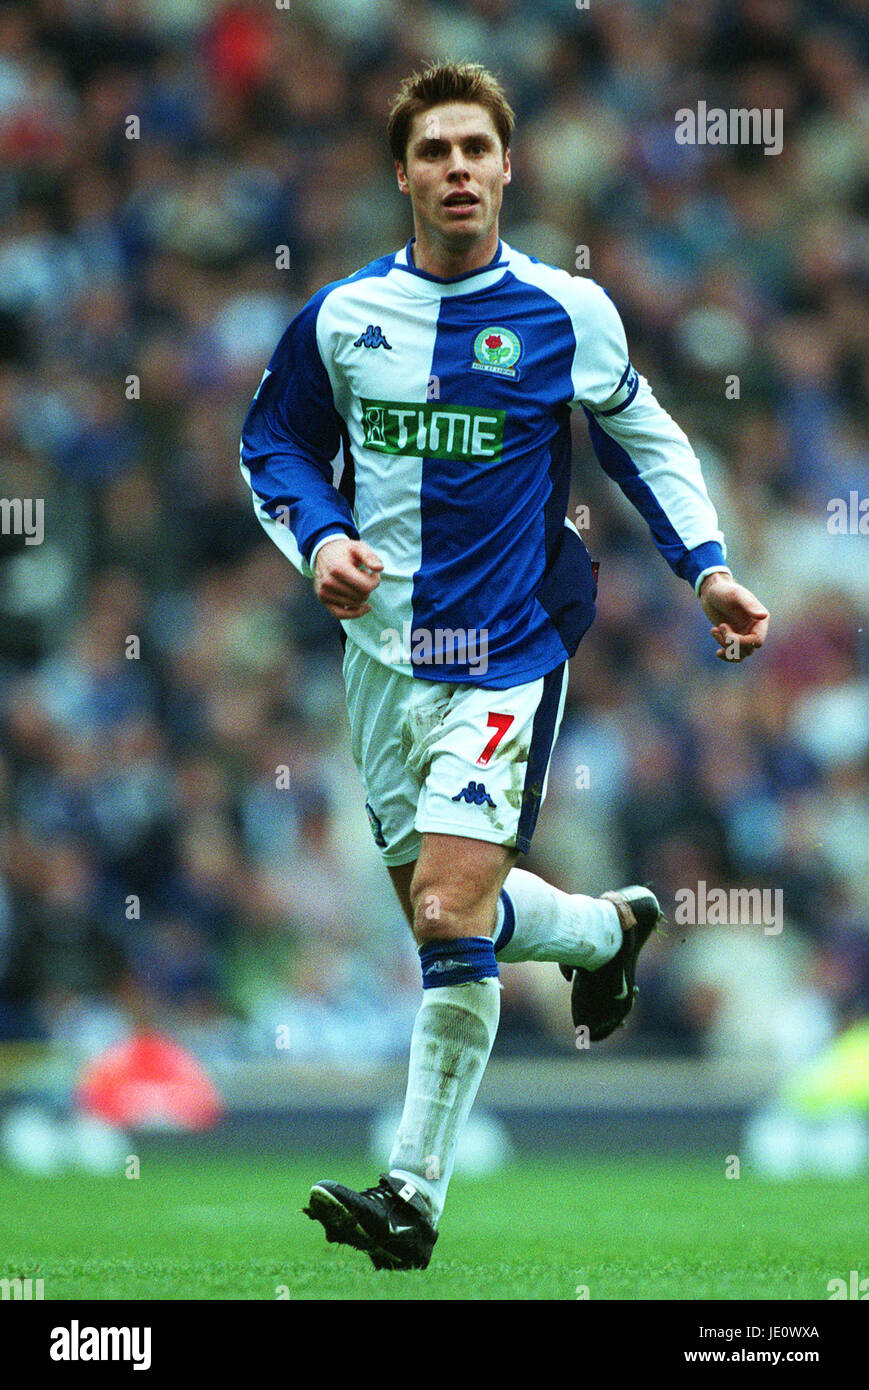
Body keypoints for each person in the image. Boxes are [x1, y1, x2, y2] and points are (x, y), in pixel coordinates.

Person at [239, 61, 769, 1271]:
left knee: (445, 906)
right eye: (434, 152)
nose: (458, 169)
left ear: (508, 166)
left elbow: (643, 432)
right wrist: (318, 538)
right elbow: (270, 442)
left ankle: (411, 1195)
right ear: (402, 175)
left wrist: (707, 567)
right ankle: (597, 930)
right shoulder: (340, 319)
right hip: (380, 663)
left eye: (476, 148)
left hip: (506, 652)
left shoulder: (563, 311)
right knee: (448, 929)